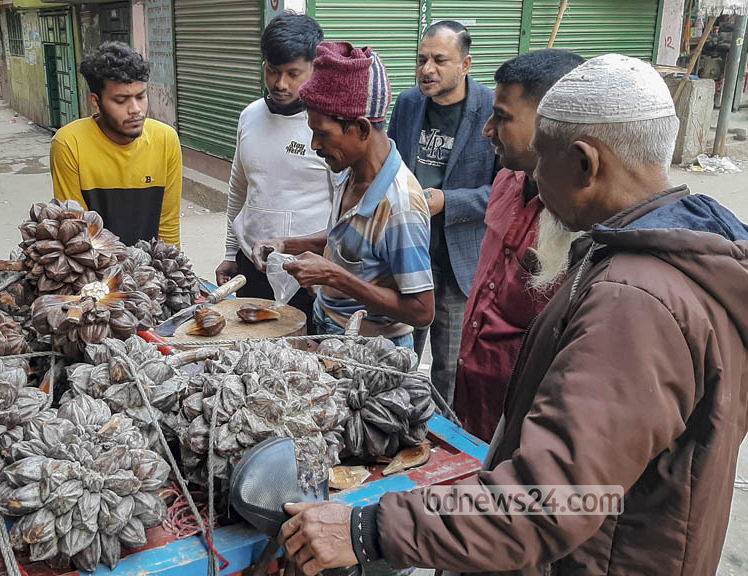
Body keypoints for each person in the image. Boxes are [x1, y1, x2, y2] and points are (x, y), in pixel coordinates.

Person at [278, 53, 748, 576]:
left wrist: (368, 529)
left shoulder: (636, 302)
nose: (529, 175)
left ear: (585, 163)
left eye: (543, 158)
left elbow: (551, 500)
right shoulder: (683, 255)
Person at [254, 41, 435, 348]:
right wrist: (288, 244)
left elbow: (422, 311)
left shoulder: (400, 205)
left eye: (322, 133)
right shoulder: (349, 172)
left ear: (361, 129)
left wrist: (334, 276)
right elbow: (350, 239)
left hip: (371, 350)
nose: (313, 145)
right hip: (328, 327)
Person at [453, 49, 585, 442]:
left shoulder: (580, 223)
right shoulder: (506, 182)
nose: (487, 129)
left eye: (504, 118)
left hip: (524, 425)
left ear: (551, 126)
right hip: (472, 398)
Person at [387, 21, 497, 404]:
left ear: (465, 64)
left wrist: (448, 202)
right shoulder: (407, 104)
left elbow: (502, 191)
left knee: (450, 367)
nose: (427, 69)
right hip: (409, 255)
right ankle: (397, 423)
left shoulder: (491, 109)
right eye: (421, 60)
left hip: (458, 263)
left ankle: (445, 440)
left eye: (439, 60)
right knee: (400, 357)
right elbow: (391, 168)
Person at [214, 12, 332, 318]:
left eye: (293, 73)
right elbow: (239, 190)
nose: (280, 83)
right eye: (272, 71)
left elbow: (344, 210)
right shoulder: (249, 116)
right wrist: (230, 253)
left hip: (304, 271)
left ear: (314, 69)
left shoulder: (327, 128)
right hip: (251, 265)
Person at [50, 41, 182, 246]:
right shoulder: (69, 143)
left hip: (151, 267)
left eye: (141, 96)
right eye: (121, 100)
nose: (136, 109)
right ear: (95, 102)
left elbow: (168, 224)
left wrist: (171, 270)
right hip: (95, 265)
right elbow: (76, 229)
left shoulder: (165, 139)